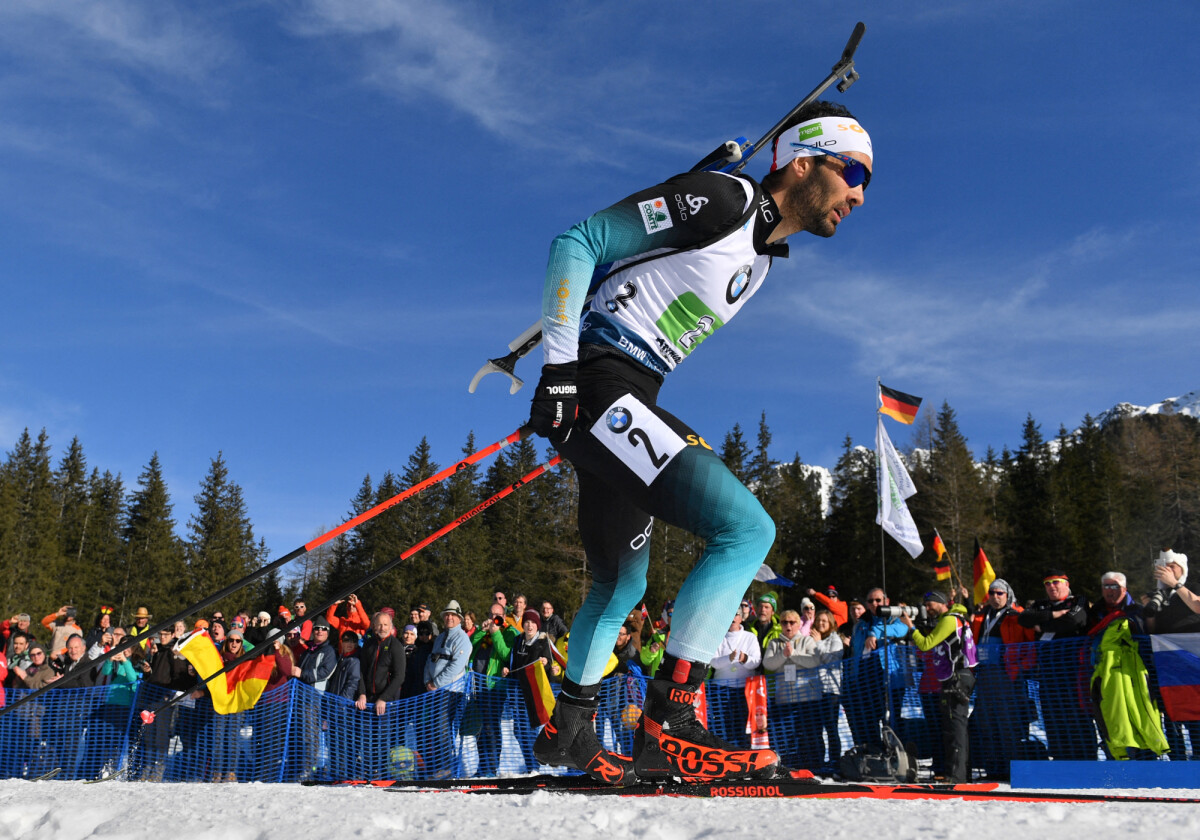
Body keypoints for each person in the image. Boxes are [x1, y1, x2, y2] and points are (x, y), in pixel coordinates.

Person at [527, 100, 873, 784]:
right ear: (803, 161)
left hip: (632, 392)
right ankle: (669, 720)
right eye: (854, 170)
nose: (861, 194)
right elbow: (579, 242)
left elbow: (658, 265)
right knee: (746, 530)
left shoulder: (766, 252)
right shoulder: (727, 199)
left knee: (618, 583)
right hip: (600, 384)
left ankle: (569, 725)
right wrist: (560, 372)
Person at [1086, 571, 1166, 760]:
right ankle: (1117, 763)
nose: (1109, 590)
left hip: (1135, 675)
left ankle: (1148, 761)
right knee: (1110, 718)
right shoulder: (1094, 612)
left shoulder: (1136, 610)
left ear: (1124, 589)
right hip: (1104, 674)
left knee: (1141, 715)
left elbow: (1148, 633)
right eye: (1105, 586)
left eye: (1114, 586)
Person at [1018, 570, 1095, 761]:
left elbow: (1074, 621)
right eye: (1047, 583)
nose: (1052, 586)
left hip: (1072, 670)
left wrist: (1042, 626)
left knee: (1076, 715)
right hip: (1047, 671)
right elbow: (1024, 618)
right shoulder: (1041, 604)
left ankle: (1085, 758)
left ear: (1067, 584)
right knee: (1052, 716)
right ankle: (1060, 758)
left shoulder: (1079, 600)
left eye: (1056, 582)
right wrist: (1054, 614)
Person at [901, 591, 977, 783]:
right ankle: (958, 773)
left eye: (930, 604)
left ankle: (956, 776)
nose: (927, 609)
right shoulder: (958, 618)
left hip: (956, 677)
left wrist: (911, 627)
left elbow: (926, 644)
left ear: (942, 603)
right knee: (954, 727)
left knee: (955, 728)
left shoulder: (950, 620)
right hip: (960, 675)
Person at [967, 578, 1036, 780]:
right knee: (987, 723)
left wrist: (1020, 667)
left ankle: (1012, 770)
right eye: (992, 593)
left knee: (1009, 724)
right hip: (985, 675)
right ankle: (993, 769)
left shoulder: (1018, 615)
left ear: (1008, 595)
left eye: (1000, 593)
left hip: (1008, 676)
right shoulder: (981, 616)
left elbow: (1031, 646)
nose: (995, 597)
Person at [1146, 550, 1200, 760]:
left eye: (1172, 566)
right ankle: (1177, 759)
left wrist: (1176, 585)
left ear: (1182, 569)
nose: (1167, 569)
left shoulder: (1192, 587)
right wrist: (1149, 612)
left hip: (1193, 664)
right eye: (1163, 566)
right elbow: (1152, 632)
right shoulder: (1158, 596)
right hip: (1169, 667)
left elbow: (1197, 606)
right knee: (1171, 715)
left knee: (1196, 715)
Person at [845, 587, 908, 751]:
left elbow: (903, 629)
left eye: (878, 600)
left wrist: (876, 632)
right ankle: (873, 753)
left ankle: (896, 753)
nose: (874, 604)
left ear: (886, 602)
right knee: (867, 718)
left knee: (892, 719)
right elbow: (855, 651)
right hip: (865, 677)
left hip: (889, 677)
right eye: (871, 601)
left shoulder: (892, 618)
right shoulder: (860, 625)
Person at [503, 609, 557, 772]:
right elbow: (512, 661)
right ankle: (530, 764)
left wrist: (546, 662)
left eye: (533, 622)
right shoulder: (518, 640)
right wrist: (507, 669)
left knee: (529, 729)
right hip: (518, 692)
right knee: (518, 731)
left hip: (534, 693)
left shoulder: (543, 642)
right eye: (527, 622)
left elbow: (550, 664)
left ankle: (534, 767)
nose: (529, 625)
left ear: (537, 625)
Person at [708, 610, 763, 749]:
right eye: (729, 613)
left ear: (741, 618)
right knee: (721, 725)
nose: (732, 617)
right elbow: (712, 662)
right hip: (720, 689)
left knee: (742, 726)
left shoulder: (750, 637)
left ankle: (742, 756)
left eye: (736, 614)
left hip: (743, 689)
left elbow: (756, 661)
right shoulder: (717, 637)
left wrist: (745, 659)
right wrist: (729, 658)